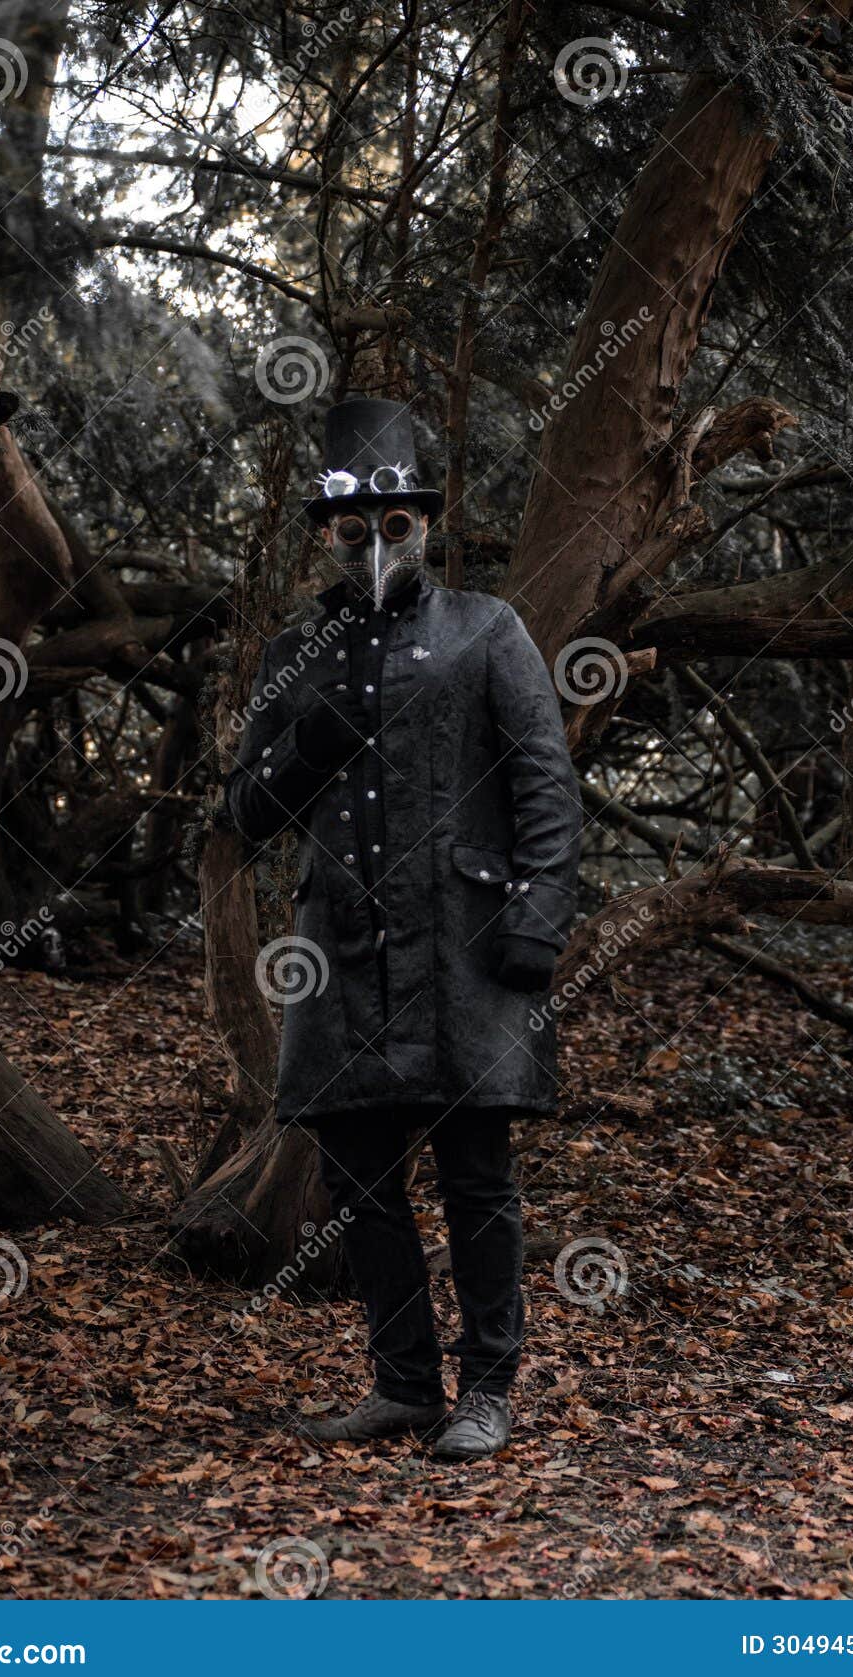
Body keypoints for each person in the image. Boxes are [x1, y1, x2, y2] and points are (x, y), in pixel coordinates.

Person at [224, 395, 580, 1459]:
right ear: (327, 535)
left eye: (393, 525)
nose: (373, 545)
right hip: (340, 954)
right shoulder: (295, 653)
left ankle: (487, 1390)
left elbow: (546, 782)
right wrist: (307, 747)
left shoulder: (487, 628)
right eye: (352, 530)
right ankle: (404, 1386)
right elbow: (243, 814)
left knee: (477, 1176)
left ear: (422, 523)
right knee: (359, 1180)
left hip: (468, 949)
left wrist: (538, 917)